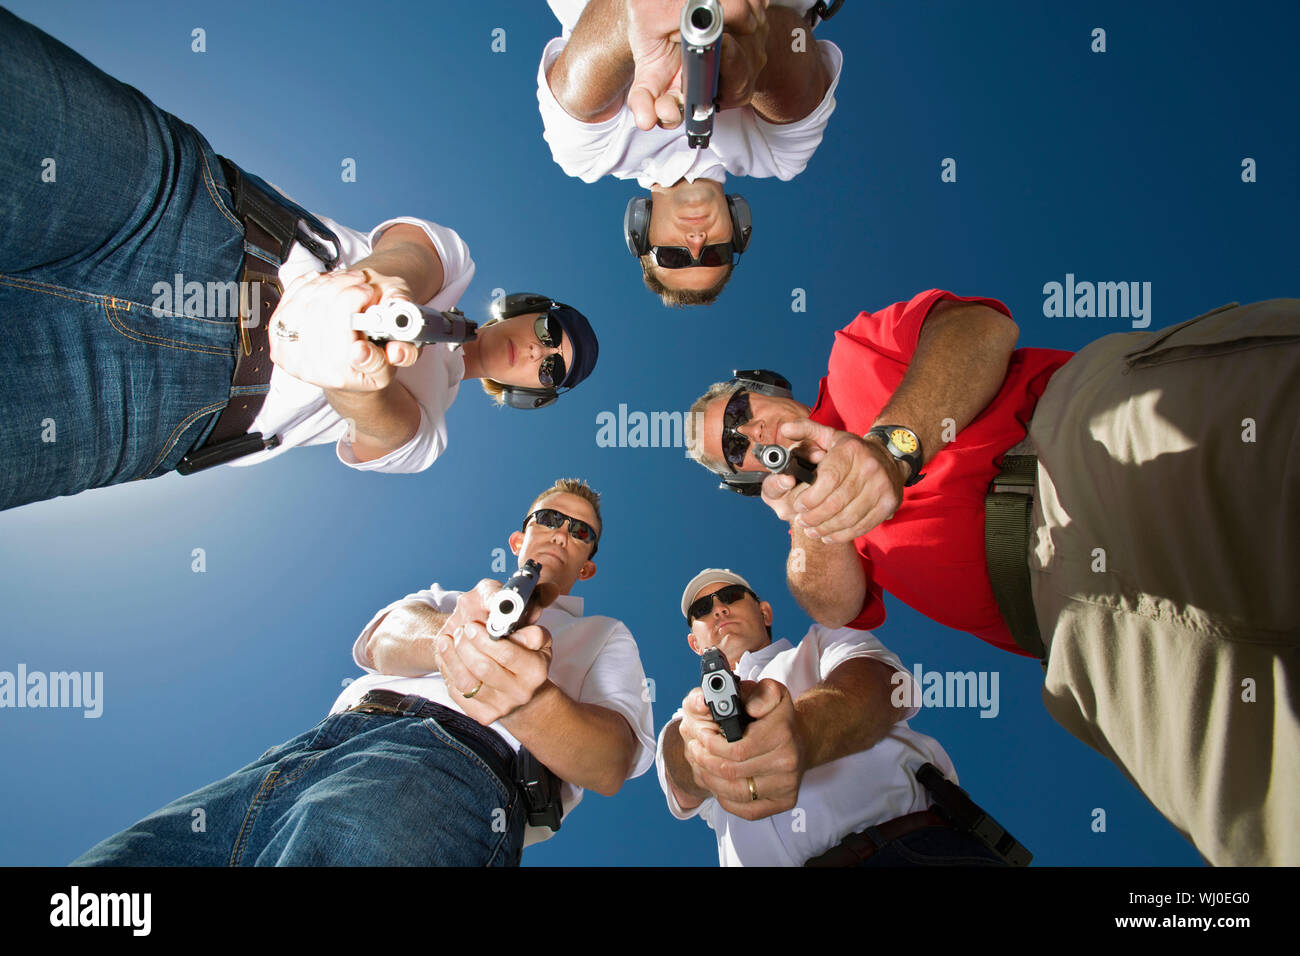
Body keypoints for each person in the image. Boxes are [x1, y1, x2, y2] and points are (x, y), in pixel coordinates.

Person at [683, 289, 1300, 866]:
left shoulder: (853, 355)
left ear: (763, 386)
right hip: (1082, 632)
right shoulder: (810, 527)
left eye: (740, 410)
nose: (750, 433)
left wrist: (891, 448)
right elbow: (835, 605)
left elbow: (980, 328)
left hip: (1092, 446)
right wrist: (816, 509)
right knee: (1267, 806)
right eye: (734, 448)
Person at [0, 9, 597, 512]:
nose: (540, 352)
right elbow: (418, 253)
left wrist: (357, 383)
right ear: (524, 308)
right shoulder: (454, 267)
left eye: (550, 370)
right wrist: (378, 283)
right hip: (188, 219)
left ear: (528, 394)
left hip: (162, 402)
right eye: (550, 332)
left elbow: (390, 434)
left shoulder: (431, 430)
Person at [72, 478, 655, 866]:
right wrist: (446, 637)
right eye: (550, 517)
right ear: (518, 535)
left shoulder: (602, 636)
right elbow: (381, 639)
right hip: (306, 752)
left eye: (581, 531)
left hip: (451, 771)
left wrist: (527, 702)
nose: (562, 533)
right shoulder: (450, 597)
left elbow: (610, 765)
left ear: (590, 566)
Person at [658, 567, 1017, 866]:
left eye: (732, 596)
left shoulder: (824, 641)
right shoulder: (683, 719)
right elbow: (679, 778)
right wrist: (698, 751)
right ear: (694, 643)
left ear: (765, 612)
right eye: (703, 608)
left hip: (908, 850)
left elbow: (881, 686)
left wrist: (802, 732)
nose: (719, 608)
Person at [538, 0, 840, 306]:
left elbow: (575, 89)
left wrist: (631, 18)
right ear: (738, 228)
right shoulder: (778, 156)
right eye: (714, 255)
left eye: (673, 256)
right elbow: (799, 77)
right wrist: (754, 57)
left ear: (639, 232)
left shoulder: (589, 157)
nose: (696, 244)